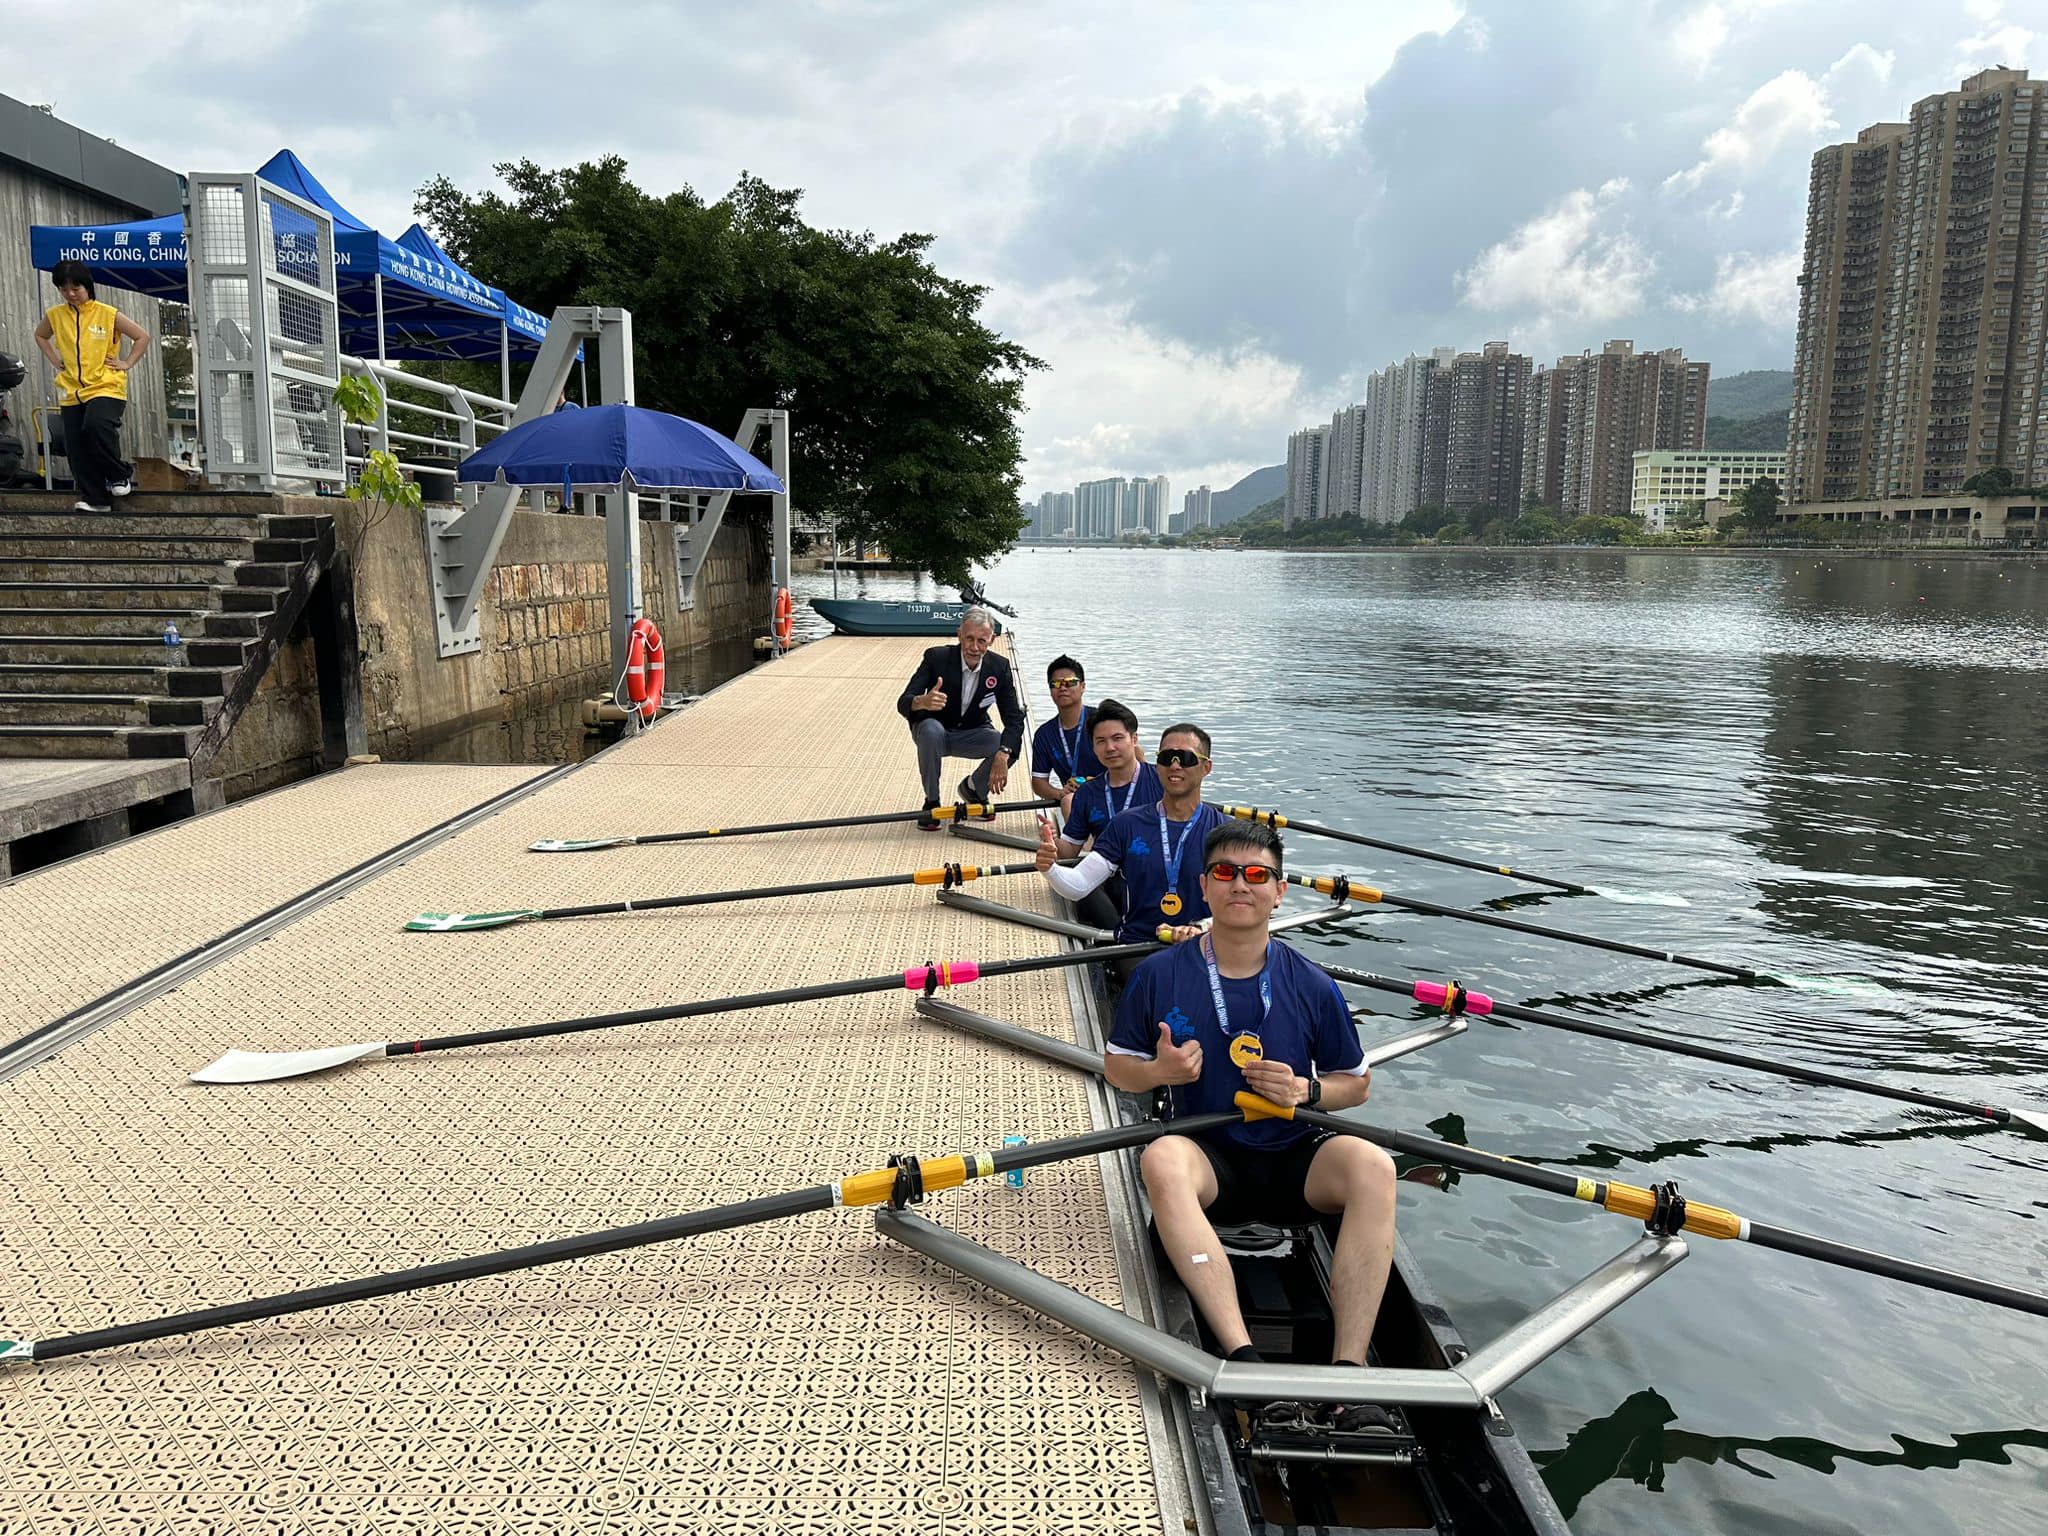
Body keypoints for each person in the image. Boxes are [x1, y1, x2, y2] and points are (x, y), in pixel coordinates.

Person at [1105, 819, 1399, 1436]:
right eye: (1225, 873)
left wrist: (1307, 1090)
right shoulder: (1159, 974)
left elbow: (1357, 1084)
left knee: (1375, 1165)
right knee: (1160, 1159)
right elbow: (1117, 1070)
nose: (1242, 884)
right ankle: (1243, 1357)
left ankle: (1350, 1373)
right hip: (1211, 1160)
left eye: (1257, 874)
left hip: (1296, 1160)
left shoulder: (1311, 983)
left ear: (1279, 891)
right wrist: (1158, 1070)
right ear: (1203, 888)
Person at [1039, 722, 1221, 976]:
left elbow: (1248, 904)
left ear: (1206, 767)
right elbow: (1079, 884)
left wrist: (1202, 927)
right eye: (1167, 757)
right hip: (1138, 946)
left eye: (1187, 758)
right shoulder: (1128, 823)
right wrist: (1050, 869)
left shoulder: (1224, 833)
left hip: (1202, 944)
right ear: (1158, 765)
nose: (1175, 765)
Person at [35, 260, 151, 514]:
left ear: (87, 286)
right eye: (64, 289)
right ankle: (96, 499)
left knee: (96, 425)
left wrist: (127, 362)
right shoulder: (55, 315)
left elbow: (142, 336)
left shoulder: (107, 313)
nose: (70, 294)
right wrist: (56, 360)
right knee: (75, 445)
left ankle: (119, 474)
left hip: (106, 385)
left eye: (75, 288)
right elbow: (40, 335)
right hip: (72, 389)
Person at [896, 607, 1025, 829]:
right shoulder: (936, 657)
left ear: (992, 640)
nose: (974, 648)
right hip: (934, 731)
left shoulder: (1000, 667)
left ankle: (973, 789)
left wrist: (1003, 754)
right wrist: (922, 701)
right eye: (969, 639)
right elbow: (903, 702)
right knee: (930, 730)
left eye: (982, 641)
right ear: (959, 635)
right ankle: (932, 802)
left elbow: (1014, 719)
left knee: (1008, 744)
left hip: (972, 731)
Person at [1051, 699, 1158, 855]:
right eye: (1101, 741)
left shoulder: (1162, 780)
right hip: (1104, 875)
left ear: (1134, 739)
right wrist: (1052, 842)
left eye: (1117, 738)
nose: (1109, 748)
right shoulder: (1087, 792)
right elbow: (1069, 851)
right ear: (1093, 747)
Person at [1028, 655, 1102, 817]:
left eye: (1070, 682)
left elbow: (1135, 754)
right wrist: (1059, 793)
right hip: (1074, 799)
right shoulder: (1044, 734)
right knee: (1068, 800)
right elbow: (1039, 783)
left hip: (1111, 790)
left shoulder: (1102, 720)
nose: (1062, 688)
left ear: (1083, 686)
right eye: (1055, 684)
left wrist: (1096, 782)